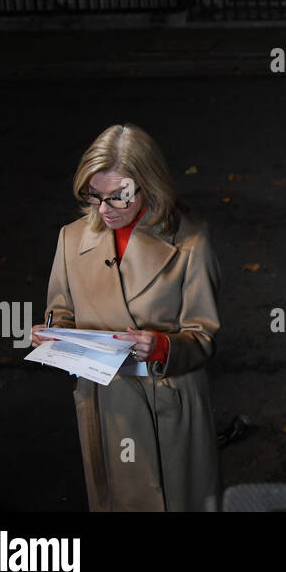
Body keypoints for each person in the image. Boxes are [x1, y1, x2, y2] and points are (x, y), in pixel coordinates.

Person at [33, 123, 222, 510]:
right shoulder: (71, 239)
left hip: (168, 405)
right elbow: (62, 311)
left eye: (118, 197)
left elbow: (203, 338)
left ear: (149, 187)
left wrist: (163, 346)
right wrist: (53, 336)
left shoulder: (191, 243)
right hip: (104, 405)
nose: (104, 210)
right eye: (94, 196)